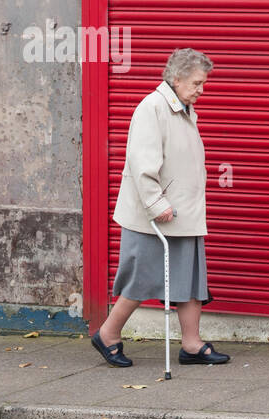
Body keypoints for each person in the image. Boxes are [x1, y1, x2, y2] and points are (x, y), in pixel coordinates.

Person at [91, 48, 230, 367]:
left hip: (184, 215)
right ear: (176, 79)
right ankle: (108, 334)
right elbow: (141, 164)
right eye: (197, 83)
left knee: (191, 280)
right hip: (155, 217)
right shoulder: (152, 108)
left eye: (203, 83)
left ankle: (192, 344)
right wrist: (156, 204)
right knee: (141, 279)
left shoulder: (182, 109)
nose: (201, 89)